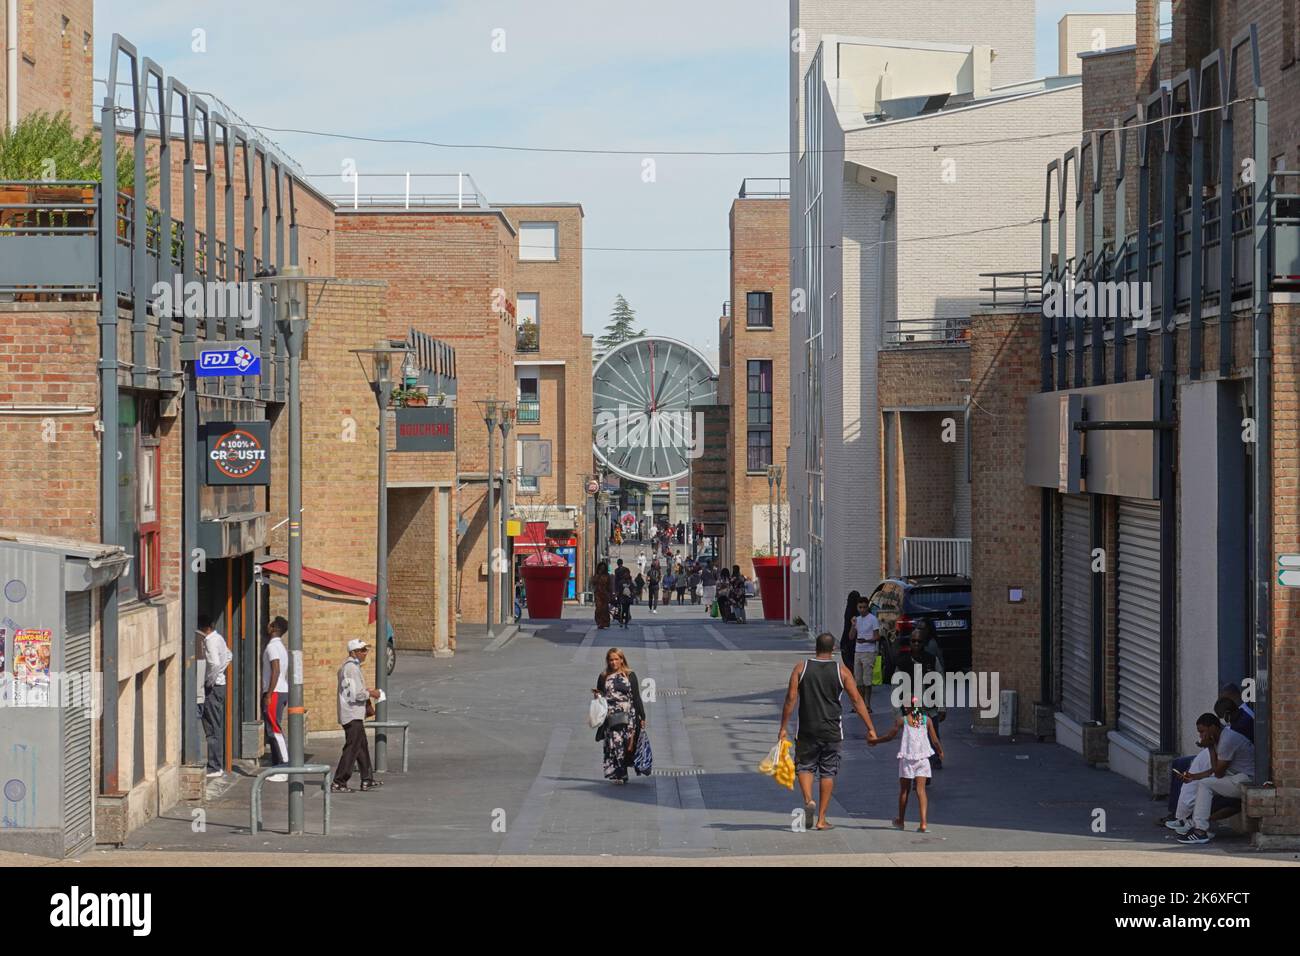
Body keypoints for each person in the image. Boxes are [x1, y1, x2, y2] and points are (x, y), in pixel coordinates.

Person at [778, 632, 878, 831]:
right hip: (832, 730)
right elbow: (857, 701)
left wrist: (782, 728)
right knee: (827, 772)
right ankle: (822, 819)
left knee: (805, 767)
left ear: (815, 648)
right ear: (834, 649)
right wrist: (871, 728)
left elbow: (790, 699)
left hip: (807, 729)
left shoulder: (801, 668)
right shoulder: (842, 672)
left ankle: (808, 799)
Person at [1175, 710, 1256, 844]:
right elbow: (1215, 769)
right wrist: (1192, 777)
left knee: (1205, 785)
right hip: (1237, 777)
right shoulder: (1220, 738)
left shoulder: (1227, 740)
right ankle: (1197, 825)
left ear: (1213, 727)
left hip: (1247, 780)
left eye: (1202, 731)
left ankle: (1200, 831)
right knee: (1205, 784)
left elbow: (1218, 773)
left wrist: (1211, 748)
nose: (1201, 736)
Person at [871, 699, 945, 832]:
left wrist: (875, 741)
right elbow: (935, 740)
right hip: (923, 759)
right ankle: (923, 823)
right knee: (921, 791)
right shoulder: (926, 720)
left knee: (904, 791)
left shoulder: (903, 720)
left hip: (907, 760)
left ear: (907, 708)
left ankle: (901, 821)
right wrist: (940, 752)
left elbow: (889, 736)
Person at [332, 638, 383, 792]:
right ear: (353, 652)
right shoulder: (351, 669)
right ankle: (339, 781)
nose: (365, 653)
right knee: (352, 748)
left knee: (361, 747)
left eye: (365, 650)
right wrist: (372, 693)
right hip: (352, 714)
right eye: (362, 650)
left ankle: (367, 779)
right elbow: (356, 694)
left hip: (354, 714)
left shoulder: (351, 668)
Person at [593, 647, 646, 783]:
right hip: (611, 715)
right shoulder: (604, 676)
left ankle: (625, 769)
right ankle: (620, 773)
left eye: (616, 659)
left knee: (628, 744)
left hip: (629, 714)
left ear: (622, 660)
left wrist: (642, 717)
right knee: (615, 743)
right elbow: (601, 695)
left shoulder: (629, 675)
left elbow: (636, 696)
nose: (614, 662)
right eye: (611, 660)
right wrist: (597, 695)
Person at [198, 614, 231, 778]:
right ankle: (217, 764)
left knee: (211, 726)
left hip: (214, 687)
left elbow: (215, 663)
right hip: (220, 685)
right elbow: (229, 656)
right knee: (215, 724)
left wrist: (210, 680)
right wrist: (220, 672)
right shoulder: (219, 638)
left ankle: (215, 766)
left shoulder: (210, 640)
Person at [261, 616, 290, 781]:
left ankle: (284, 768)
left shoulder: (272, 647)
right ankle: (277, 766)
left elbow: (276, 670)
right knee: (272, 731)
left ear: (274, 628)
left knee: (275, 730)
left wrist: (269, 694)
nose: (267, 625)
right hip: (280, 690)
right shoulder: (280, 646)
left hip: (275, 692)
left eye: (270, 623)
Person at [848, 594, 879, 710]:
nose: (862, 610)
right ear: (857, 607)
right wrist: (853, 625)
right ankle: (859, 704)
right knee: (858, 680)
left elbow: (877, 637)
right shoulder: (857, 619)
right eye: (860, 607)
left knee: (867, 680)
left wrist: (866, 640)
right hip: (858, 651)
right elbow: (851, 637)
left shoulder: (873, 619)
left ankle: (867, 704)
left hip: (869, 652)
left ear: (867, 607)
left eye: (864, 607)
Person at [839, 591, 862, 671]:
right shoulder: (861, 612)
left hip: (847, 640)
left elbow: (846, 627)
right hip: (858, 641)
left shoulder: (848, 611)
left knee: (850, 663)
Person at [591, 561, 612, 629]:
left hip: (605, 594)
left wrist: (610, 594)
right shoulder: (596, 575)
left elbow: (609, 585)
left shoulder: (607, 576)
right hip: (598, 594)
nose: (602, 569)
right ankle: (599, 622)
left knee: (605, 609)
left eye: (603, 568)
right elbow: (593, 582)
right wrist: (598, 575)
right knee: (599, 609)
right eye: (601, 568)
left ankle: (605, 622)